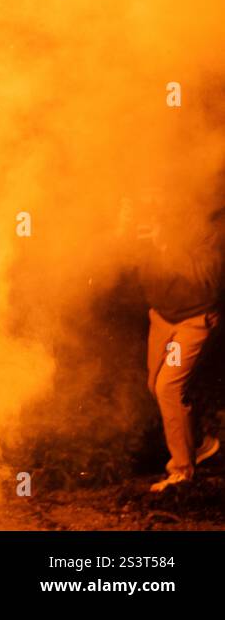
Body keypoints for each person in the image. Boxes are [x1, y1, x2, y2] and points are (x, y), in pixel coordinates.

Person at [135, 209, 222, 492]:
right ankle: (196, 443)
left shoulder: (213, 225)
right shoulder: (155, 214)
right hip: (162, 316)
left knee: (168, 388)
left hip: (192, 320)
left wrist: (166, 247)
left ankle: (182, 471)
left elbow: (208, 277)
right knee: (155, 385)